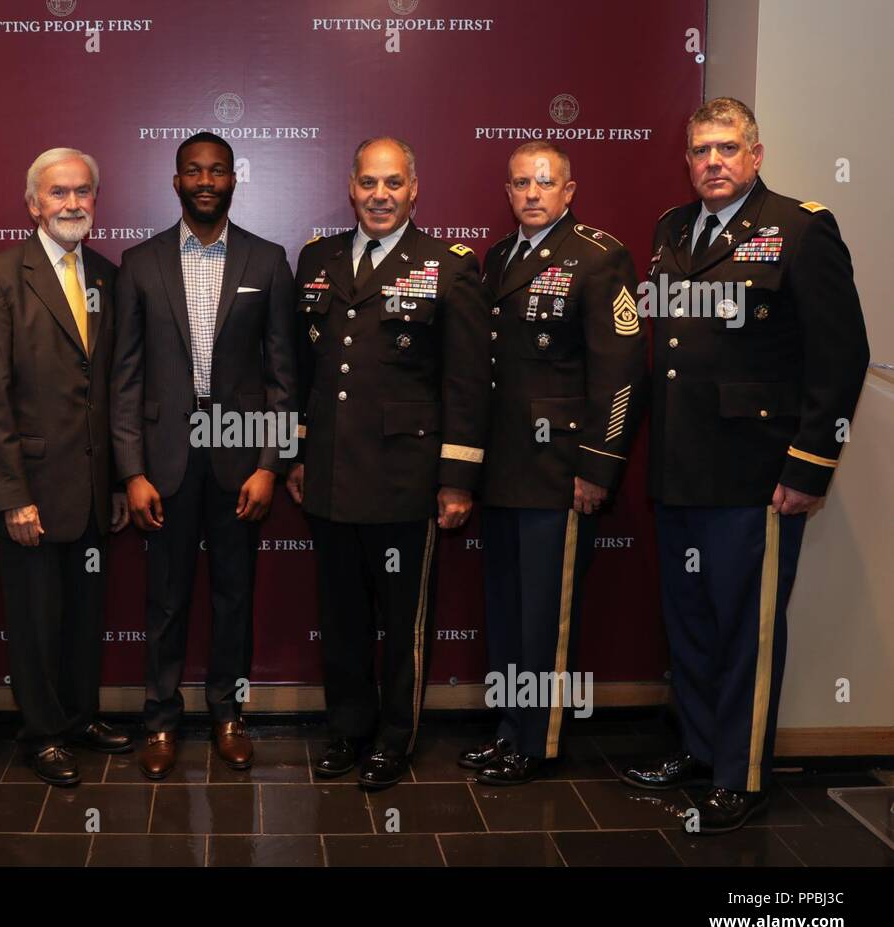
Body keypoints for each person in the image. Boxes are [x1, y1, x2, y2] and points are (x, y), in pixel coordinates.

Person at [622, 98, 869, 833]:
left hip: (755, 477)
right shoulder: (673, 229)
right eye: (700, 150)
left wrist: (809, 466)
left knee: (746, 631)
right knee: (691, 623)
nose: (713, 162)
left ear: (756, 154)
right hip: (679, 470)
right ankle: (701, 748)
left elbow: (841, 356)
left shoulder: (800, 228)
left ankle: (743, 771)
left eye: (727, 148)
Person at [286, 137, 491, 789]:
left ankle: (395, 738)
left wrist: (457, 478)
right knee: (341, 617)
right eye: (369, 183)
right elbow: (300, 369)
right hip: (330, 476)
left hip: (406, 479)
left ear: (414, 188)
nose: (380, 195)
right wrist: (295, 451)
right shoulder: (316, 258)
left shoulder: (447, 265)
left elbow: (466, 381)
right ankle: (348, 728)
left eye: (393, 183)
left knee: (401, 623)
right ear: (351, 187)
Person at [111, 133, 298, 779]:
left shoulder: (269, 261)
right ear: (176, 180)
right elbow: (125, 379)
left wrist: (273, 463)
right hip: (163, 460)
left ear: (233, 180)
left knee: (233, 596)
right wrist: (131, 472)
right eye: (194, 170)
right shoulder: (140, 263)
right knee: (164, 601)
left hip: (240, 460)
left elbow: (285, 376)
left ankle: (228, 716)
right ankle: (159, 723)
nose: (206, 180)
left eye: (217, 170)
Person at [463, 142, 647, 785]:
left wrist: (600, 466)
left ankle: (537, 741)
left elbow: (621, 371)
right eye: (520, 184)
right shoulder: (497, 258)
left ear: (570, 192)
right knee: (510, 612)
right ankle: (510, 727)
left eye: (545, 183)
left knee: (547, 615)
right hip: (505, 468)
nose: (532, 194)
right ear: (507, 193)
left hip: (561, 469)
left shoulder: (598, 257)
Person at [0, 147, 130, 787]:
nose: (72, 203)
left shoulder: (107, 277)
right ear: (32, 203)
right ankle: (42, 733)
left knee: (86, 614)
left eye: (83, 192)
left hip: (92, 487)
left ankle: (81, 716)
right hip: (31, 486)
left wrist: (116, 481)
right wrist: (10, 493)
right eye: (58, 193)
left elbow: (112, 389)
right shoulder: (1, 277)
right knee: (35, 619)